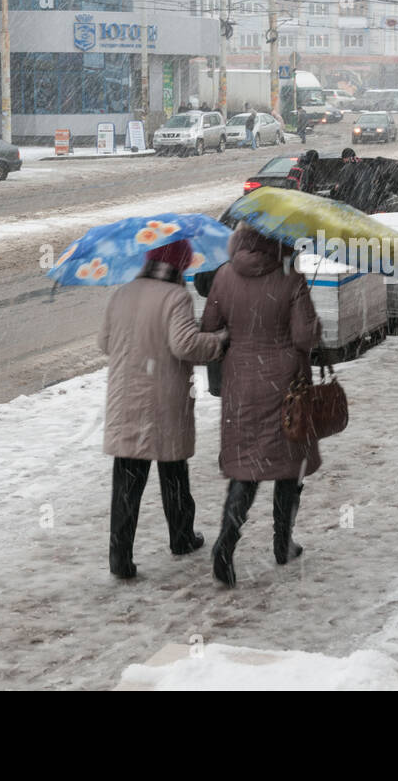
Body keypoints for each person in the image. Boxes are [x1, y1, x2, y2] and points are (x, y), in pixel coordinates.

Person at [201, 226, 324, 587]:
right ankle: (282, 542)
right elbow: (304, 336)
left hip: (240, 383)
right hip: (286, 385)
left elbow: (210, 326)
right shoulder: (290, 274)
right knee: (289, 465)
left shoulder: (224, 274)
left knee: (247, 466)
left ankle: (226, 542)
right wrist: (313, 324)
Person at [98, 239, 228, 579]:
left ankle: (120, 558)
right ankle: (182, 537)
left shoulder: (124, 292)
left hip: (126, 401)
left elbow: (105, 343)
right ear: (180, 265)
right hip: (162, 401)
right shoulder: (176, 297)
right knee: (173, 473)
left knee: (127, 483)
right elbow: (185, 344)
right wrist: (219, 341)